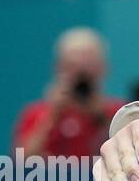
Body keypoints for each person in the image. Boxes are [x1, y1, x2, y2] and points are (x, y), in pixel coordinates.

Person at [12, 28, 122, 159]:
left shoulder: (119, 113)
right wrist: (52, 116)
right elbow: (20, 160)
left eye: (89, 68)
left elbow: (127, 154)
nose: (80, 77)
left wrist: (101, 117)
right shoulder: (37, 113)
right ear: (58, 68)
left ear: (103, 68)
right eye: (72, 67)